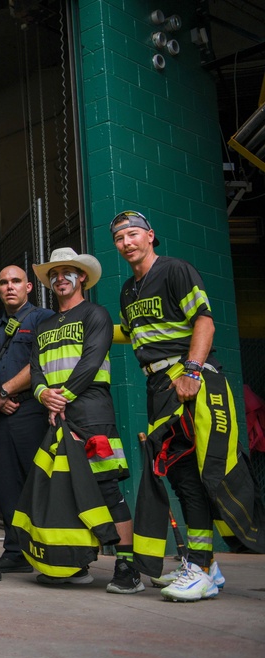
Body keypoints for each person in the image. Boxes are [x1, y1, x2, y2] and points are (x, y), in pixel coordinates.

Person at [111, 210, 264, 600]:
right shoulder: (128, 290)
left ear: (150, 235)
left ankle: (199, 566)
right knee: (181, 476)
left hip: (189, 378)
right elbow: (129, 334)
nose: (126, 242)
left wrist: (192, 371)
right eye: (119, 238)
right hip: (157, 385)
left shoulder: (176, 269)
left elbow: (205, 322)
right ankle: (204, 565)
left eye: (132, 234)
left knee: (207, 473)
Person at [28, 248, 136, 592]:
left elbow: (91, 361)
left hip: (91, 412)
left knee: (107, 488)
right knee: (65, 489)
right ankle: (76, 564)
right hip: (57, 414)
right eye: (55, 274)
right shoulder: (43, 325)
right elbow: (35, 370)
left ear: (82, 278)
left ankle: (127, 567)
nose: (60, 278)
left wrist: (61, 398)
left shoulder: (96, 313)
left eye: (68, 272)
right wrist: (43, 394)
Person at [0, 266, 53, 574]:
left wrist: (4, 390)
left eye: (15, 281)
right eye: (3, 282)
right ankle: (16, 550)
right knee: (5, 484)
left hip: (30, 410)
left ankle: (49, 548)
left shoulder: (42, 319)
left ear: (29, 287)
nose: (9, 287)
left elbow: (41, 361)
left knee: (38, 481)